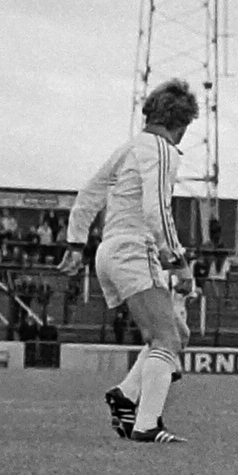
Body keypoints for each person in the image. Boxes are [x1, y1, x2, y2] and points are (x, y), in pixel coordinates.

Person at [59, 79, 201, 443]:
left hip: (108, 250)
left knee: (177, 333)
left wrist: (76, 244)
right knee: (166, 338)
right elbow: (157, 211)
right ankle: (147, 425)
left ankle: (125, 395)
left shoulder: (129, 148)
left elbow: (88, 195)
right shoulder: (163, 149)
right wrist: (179, 263)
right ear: (181, 123)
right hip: (135, 249)